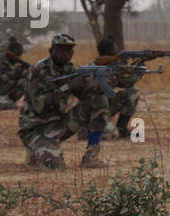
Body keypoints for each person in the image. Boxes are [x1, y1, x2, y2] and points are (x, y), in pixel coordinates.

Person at [17, 34, 110, 169]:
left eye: (69, 49)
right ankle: (35, 151)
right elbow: (39, 106)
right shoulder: (39, 70)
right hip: (36, 129)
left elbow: (86, 96)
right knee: (56, 167)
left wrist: (101, 82)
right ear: (51, 51)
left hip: (59, 125)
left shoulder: (69, 69)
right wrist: (68, 86)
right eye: (61, 49)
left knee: (98, 100)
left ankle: (91, 156)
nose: (65, 53)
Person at [93, 38, 142, 139]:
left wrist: (137, 70)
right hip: (94, 111)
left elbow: (126, 83)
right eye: (115, 49)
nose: (117, 51)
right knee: (109, 135)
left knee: (132, 92)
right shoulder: (94, 67)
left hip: (106, 106)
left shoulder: (113, 67)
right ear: (111, 51)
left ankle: (121, 128)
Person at [0, 39, 31, 112]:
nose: (17, 58)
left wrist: (25, 72)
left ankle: (9, 100)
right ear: (9, 53)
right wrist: (14, 73)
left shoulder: (12, 61)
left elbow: (19, 78)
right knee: (10, 105)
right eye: (15, 56)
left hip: (5, 91)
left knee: (25, 80)